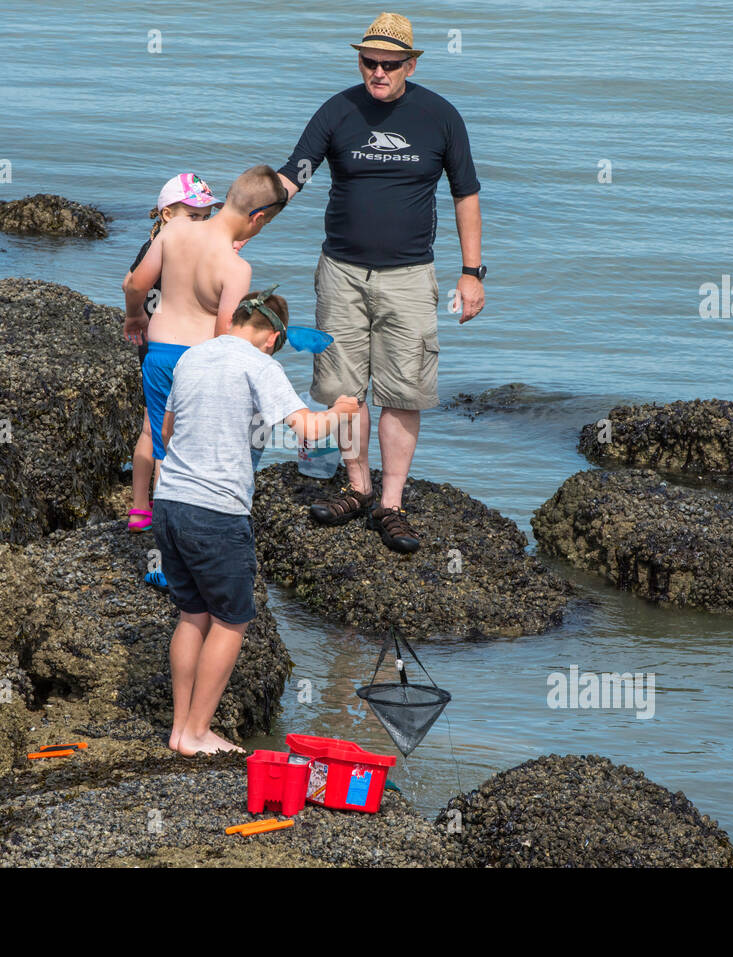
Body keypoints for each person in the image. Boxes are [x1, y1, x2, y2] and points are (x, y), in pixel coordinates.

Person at [274, 12, 485, 552]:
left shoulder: (439, 116)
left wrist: (470, 272)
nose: (378, 72)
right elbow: (294, 174)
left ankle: (391, 505)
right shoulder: (338, 109)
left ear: (411, 64)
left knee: (403, 391)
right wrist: (238, 225)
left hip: (411, 277)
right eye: (370, 62)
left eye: (390, 64)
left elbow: (466, 193)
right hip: (341, 272)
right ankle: (357, 488)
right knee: (345, 389)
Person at [152, 288, 359, 754]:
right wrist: (340, 412)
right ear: (271, 339)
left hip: (168, 503)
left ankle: (179, 729)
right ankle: (198, 733)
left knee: (191, 615)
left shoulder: (192, 357)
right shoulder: (261, 365)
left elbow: (166, 431)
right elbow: (306, 429)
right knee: (230, 619)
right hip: (216, 510)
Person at [120, 173, 221, 535]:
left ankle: (140, 509)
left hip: (161, 340)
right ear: (166, 214)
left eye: (206, 217)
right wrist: (137, 317)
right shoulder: (164, 243)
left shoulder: (162, 242)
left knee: (155, 425)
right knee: (162, 428)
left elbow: (130, 282)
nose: (201, 224)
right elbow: (131, 283)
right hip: (164, 343)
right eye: (193, 216)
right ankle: (157, 510)